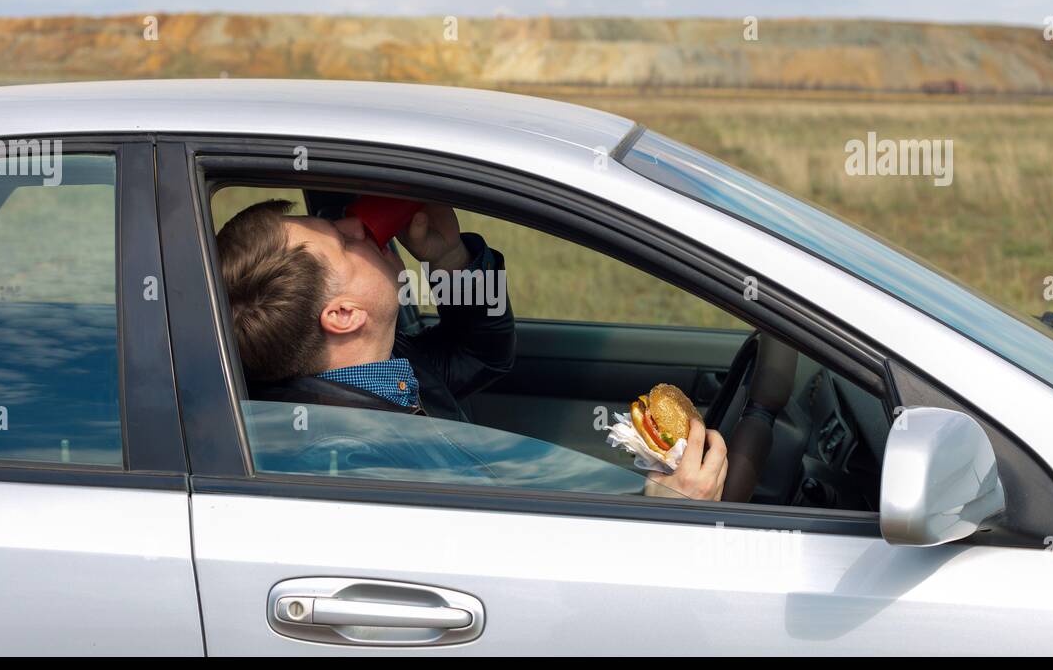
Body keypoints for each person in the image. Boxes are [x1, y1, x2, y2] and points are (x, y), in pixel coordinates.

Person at [216, 198, 727, 500]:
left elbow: (481, 352)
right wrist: (662, 513)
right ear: (344, 315)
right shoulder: (352, 462)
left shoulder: (382, 373)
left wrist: (451, 258)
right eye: (343, 242)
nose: (355, 226)